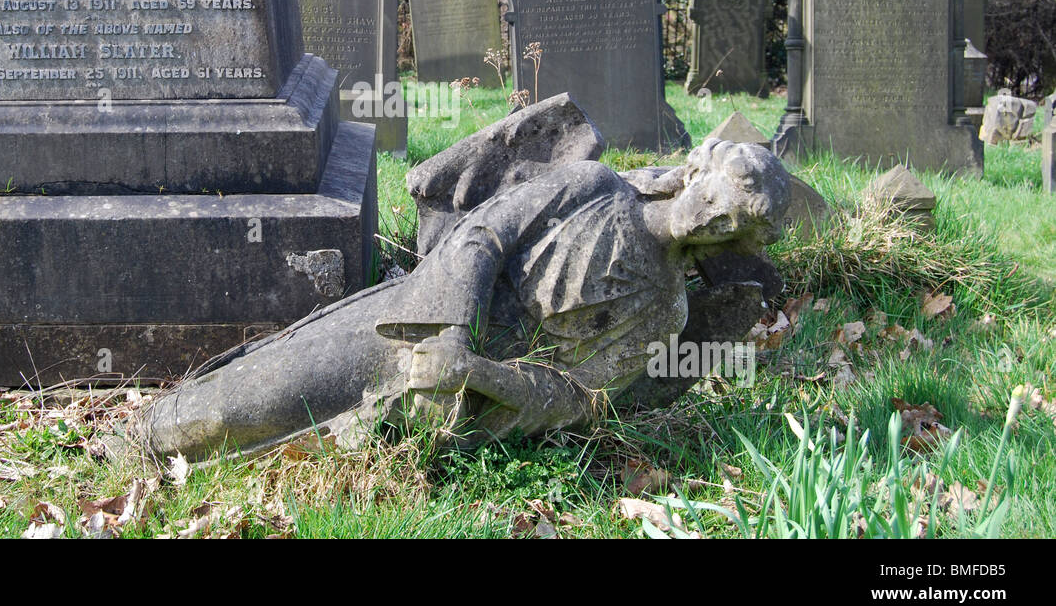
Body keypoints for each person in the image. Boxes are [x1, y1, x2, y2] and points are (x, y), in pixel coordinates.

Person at [140, 137, 791, 460]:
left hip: (469, 403)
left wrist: (471, 373)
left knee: (298, 443)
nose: (712, 221)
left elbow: (579, 398)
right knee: (230, 409)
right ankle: (126, 446)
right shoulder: (594, 188)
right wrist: (451, 336)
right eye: (716, 201)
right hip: (421, 319)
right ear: (697, 169)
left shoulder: (665, 312)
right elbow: (482, 236)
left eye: (734, 226)